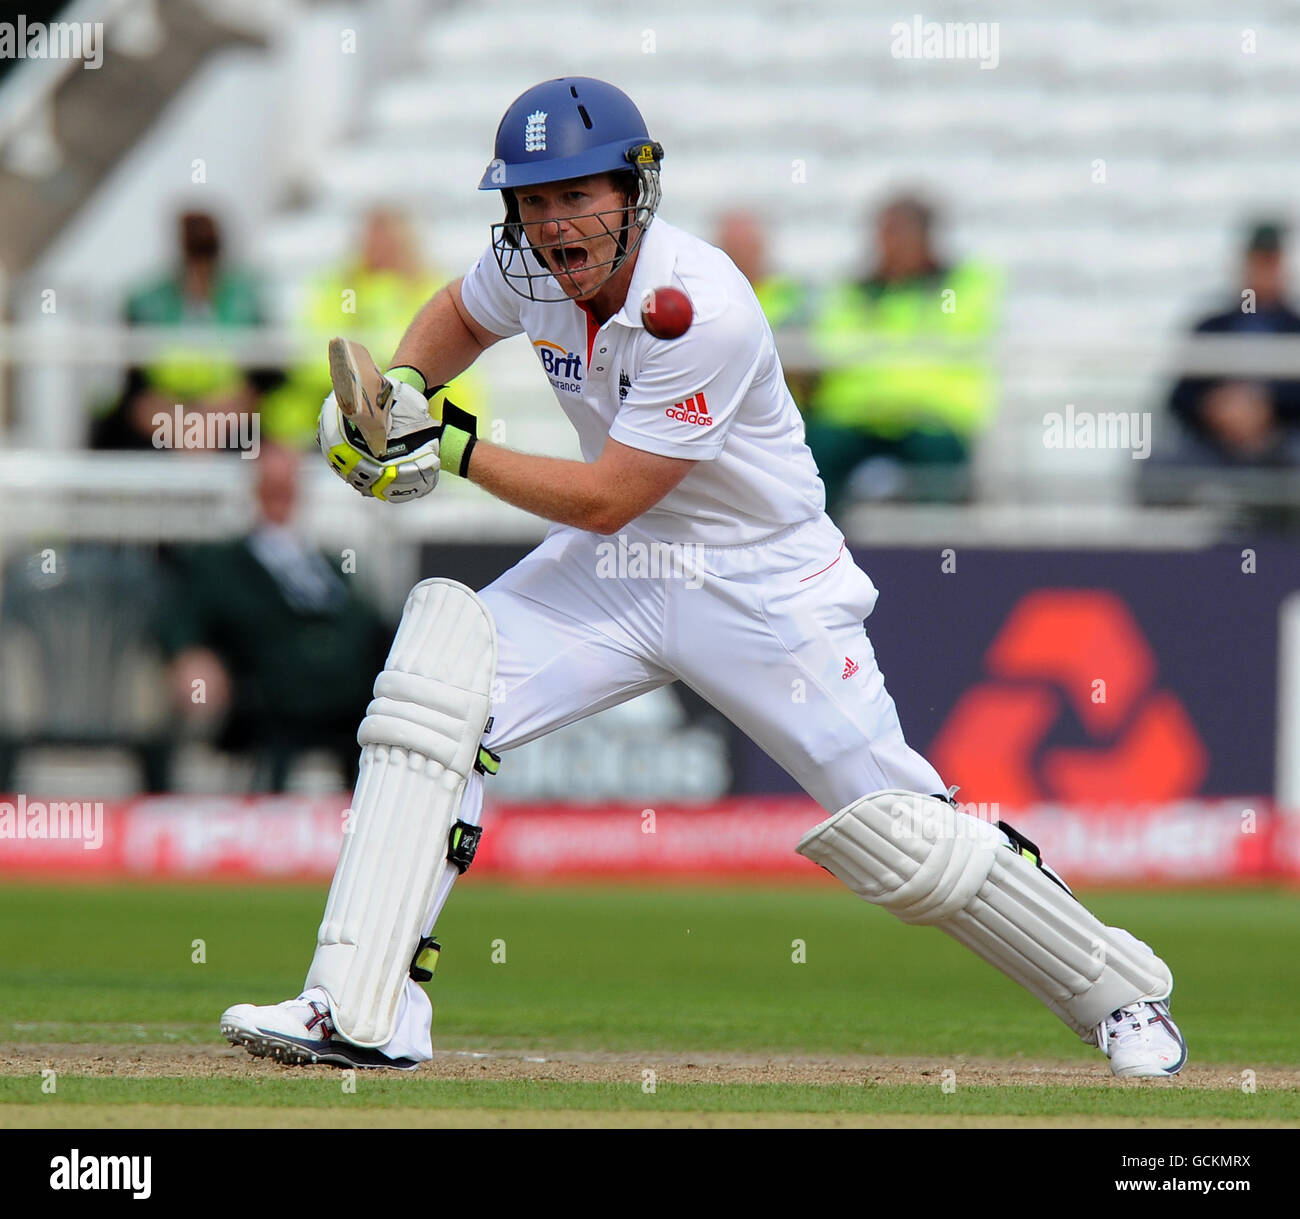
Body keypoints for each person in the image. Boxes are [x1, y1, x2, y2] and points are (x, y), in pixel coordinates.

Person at [221, 78, 1186, 1077]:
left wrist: (451, 448)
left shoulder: (705, 307)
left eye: (577, 195)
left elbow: (608, 495)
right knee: (438, 685)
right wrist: (402, 394)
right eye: (534, 201)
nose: (555, 223)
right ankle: (362, 1008)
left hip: (760, 582)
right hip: (616, 575)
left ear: (635, 190)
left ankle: (1120, 995)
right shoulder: (530, 266)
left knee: (907, 834)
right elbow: (456, 316)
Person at [161, 444, 391, 790]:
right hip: (269, 688)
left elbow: (364, 618)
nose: (281, 495)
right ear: (255, 489)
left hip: (349, 686)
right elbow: (185, 619)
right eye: (272, 485)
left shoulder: (327, 561)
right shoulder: (222, 562)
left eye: (288, 485)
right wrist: (191, 656)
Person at [803, 194, 999, 512]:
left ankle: (936, 554)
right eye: (884, 234)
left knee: (937, 457)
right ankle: (819, 550)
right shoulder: (853, 289)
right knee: (818, 449)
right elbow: (832, 347)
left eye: (898, 234)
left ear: (925, 238)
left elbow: (951, 342)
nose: (888, 245)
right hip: (858, 419)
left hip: (932, 420)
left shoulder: (963, 284)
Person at [259, 207, 485, 446]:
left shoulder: (429, 289)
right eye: (371, 239)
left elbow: (446, 365)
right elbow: (310, 356)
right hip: (324, 419)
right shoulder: (334, 288)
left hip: (410, 424)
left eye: (386, 240)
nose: (376, 247)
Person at [91, 210, 277, 451]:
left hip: (229, 419)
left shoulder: (246, 300)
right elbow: (135, 389)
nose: (200, 268)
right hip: (164, 417)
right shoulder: (147, 301)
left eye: (205, 253)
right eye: (195, 255)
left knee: (257, 443)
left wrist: (212, 423)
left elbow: (262, 382)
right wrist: (179, 427)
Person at [1164, 221, 1300, 466]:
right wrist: (1214, 408)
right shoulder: (1210, 326)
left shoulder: (1294, 328)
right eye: (1257, 262)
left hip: (1281, 443)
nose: (1263, 272)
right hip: (1214, 442)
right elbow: (1178, 397)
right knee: (1162, 461)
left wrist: (1267, 407)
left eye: (1270, 263)